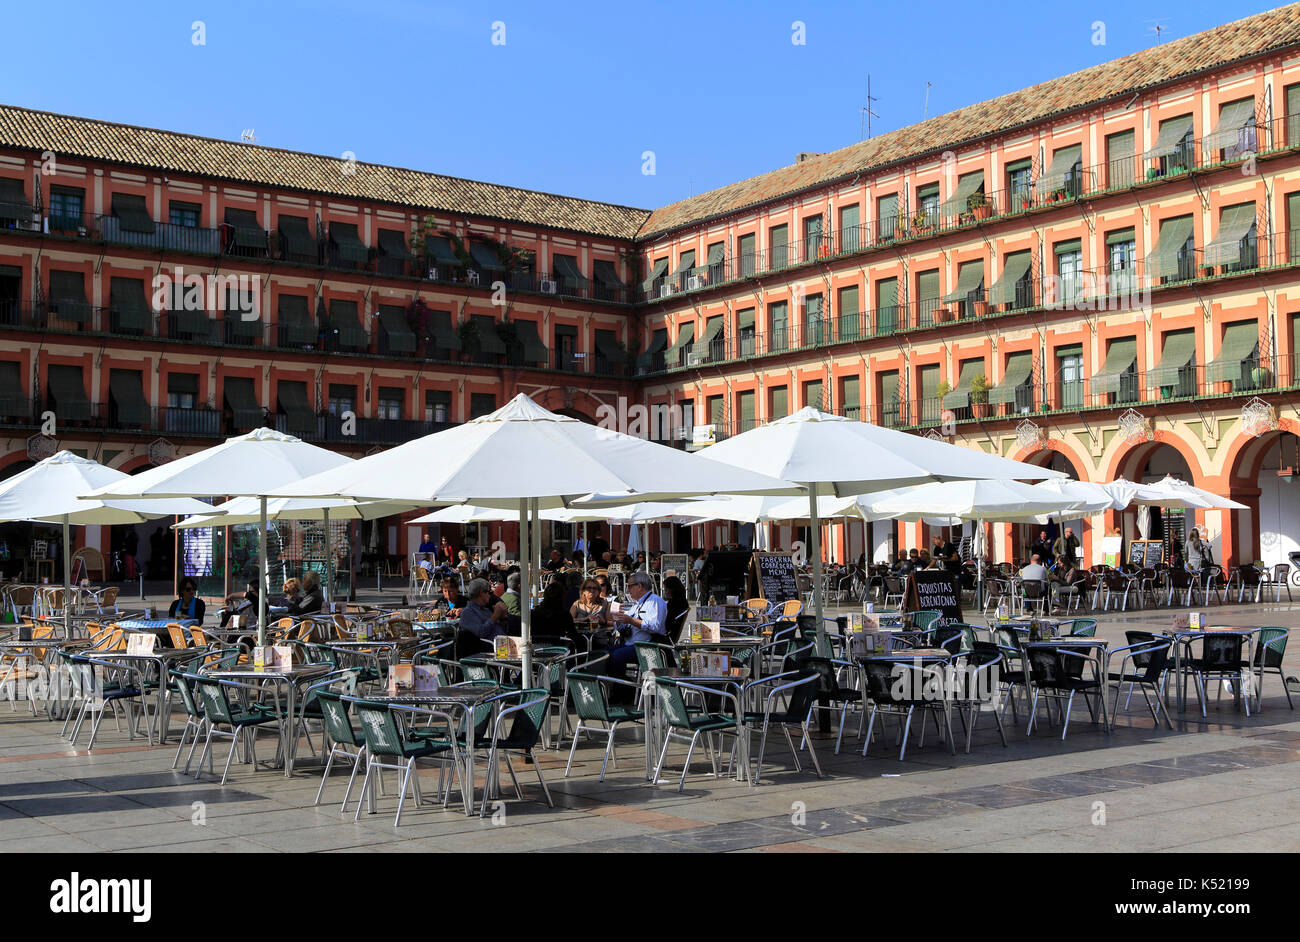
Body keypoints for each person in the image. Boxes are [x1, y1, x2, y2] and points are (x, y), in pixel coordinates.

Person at [605, 571, 668, 690]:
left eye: (629, 586)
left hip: (647, 646)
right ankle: (621, 688)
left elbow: (654, 627)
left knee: (615, 656)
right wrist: (618, 619)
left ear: (639, 586)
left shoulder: (655, 602)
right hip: (631, 643)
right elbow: (624, 626)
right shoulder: (637, 604)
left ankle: (626, 690)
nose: (628, 590)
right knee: (604, 654)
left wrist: (631, 620)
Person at [531, 580, 581, 647]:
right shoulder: (564, 614)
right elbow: (573, 634)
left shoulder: (534, 612)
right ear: (563, 597)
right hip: (558, 650)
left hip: (536, 649)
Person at [458, 578, 505, 643]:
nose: (489, 595)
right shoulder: (468, 612)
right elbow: (481, 633)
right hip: (487, 649)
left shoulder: (485, 610)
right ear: (481, 592)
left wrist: (502, 617)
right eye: (489, 592)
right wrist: (496, 615)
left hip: (501, 645)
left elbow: (497, 627)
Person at [662, 575, 689, 642]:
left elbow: (666, 623)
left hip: (666, 638)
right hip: (671, 636)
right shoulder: (682, 601)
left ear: (672, 589)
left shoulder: (674, 603)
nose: (665, 592)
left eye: (666, 589)